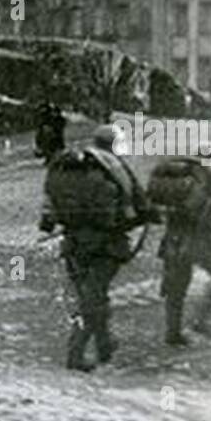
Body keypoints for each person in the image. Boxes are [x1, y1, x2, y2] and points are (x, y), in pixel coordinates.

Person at [40, 123, 155, 372]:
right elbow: (140, 204)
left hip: (73, 243)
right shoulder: (114, 166)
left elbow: (47, 208)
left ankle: (104, 345)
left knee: (91, 296)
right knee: (93, 299)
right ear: (114, 144)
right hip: (106, 244)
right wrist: (147, 216)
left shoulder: (66, 166)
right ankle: (76, 355)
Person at [148, 140, 211, 345]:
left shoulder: (173, 175)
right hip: (204, 241)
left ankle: (173, 333)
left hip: (175, 240)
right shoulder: (207, 177)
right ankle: (201, 321)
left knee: (176, 289)